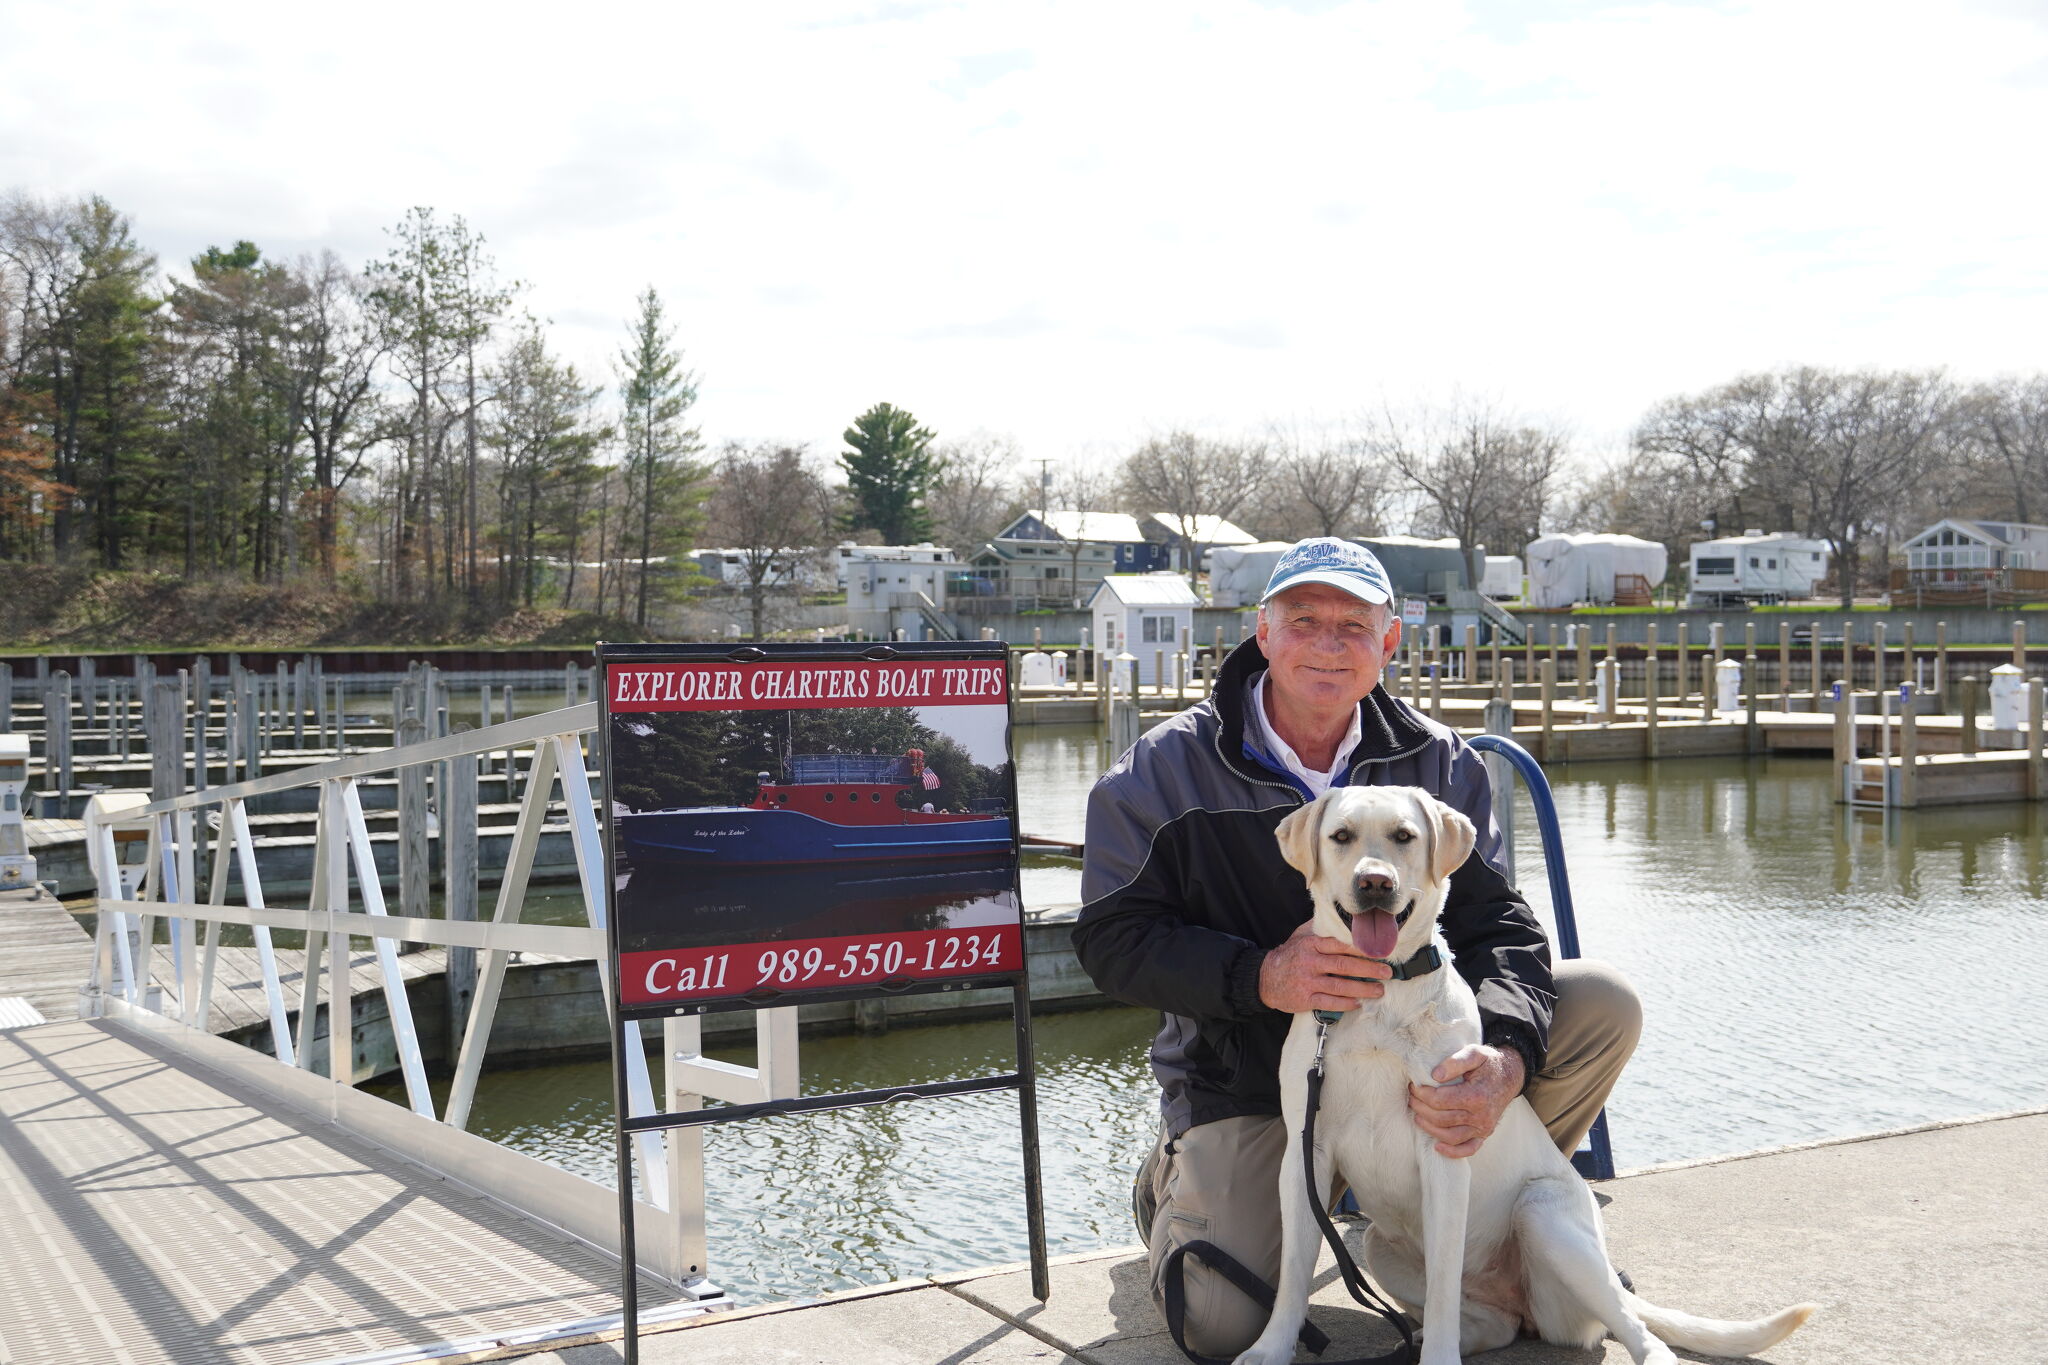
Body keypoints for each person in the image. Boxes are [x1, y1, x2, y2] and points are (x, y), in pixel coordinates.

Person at [1073, 538, 1642, 1359]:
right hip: (1250, 1077)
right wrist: (1259, 975)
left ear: (1390, 643)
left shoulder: (1441, 765)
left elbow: (1500, 928)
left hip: (1412, 1053)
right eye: (1304, 619)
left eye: (1354, 624)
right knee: (1219, 1324)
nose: (1329, 642)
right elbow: (1109, 940)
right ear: (1262, 633)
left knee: (1600, 1005)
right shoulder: (1160, 772)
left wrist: (1506, 1057)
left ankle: (1506, 1228)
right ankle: (1173, 1177)